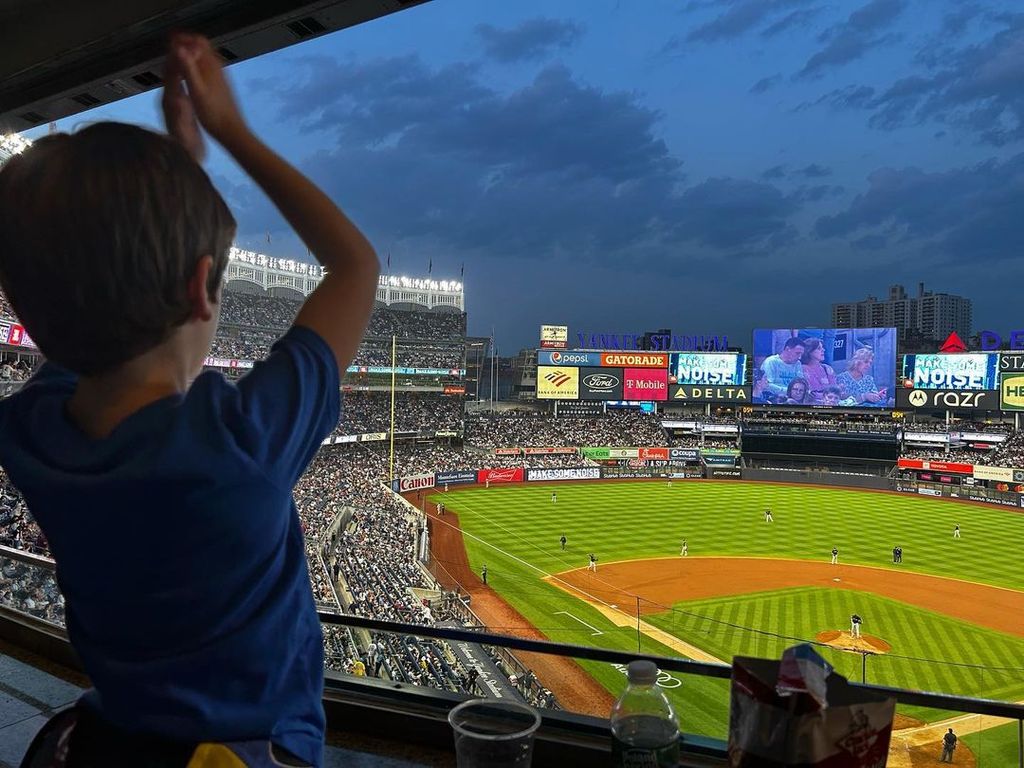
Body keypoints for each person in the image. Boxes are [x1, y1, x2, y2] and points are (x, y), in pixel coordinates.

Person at [0, 33, 379, 767]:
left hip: (111, 743)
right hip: (250, 754)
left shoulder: (31, 429)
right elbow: (356, 266)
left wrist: (183, 178)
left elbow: (70, 304)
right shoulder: (237, 445)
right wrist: (229, 131)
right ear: (203, 286)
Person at [800, 338, 837, 404]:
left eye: (822, 347)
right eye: (819, 348)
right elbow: (811, 394)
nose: (823, 350)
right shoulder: (802, 369)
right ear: (809, 351)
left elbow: (835, 390)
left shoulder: (827, 368)